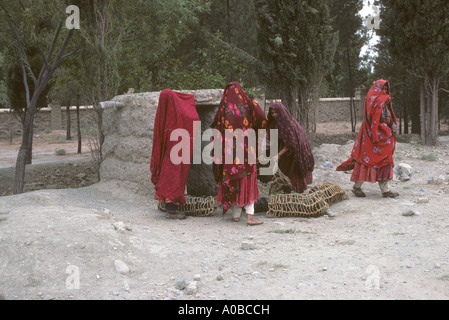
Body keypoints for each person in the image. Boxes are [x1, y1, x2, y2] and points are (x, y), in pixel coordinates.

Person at [211, 82, 268, 226]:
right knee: (248, 178)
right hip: (247, 147)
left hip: (229, 149)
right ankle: (250, 217)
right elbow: (261, 116)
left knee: (234, 177)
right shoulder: (247, 102)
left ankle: (236, 215)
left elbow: (215, 126)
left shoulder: (223, 106)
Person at [336, 79, 399, 198]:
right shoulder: (374, 102)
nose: (384, 92)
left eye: (386, 89)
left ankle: (385, 190)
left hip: (384, 139)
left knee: (386, 162)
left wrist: (391, 127)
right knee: (366, 161)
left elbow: (389, 118)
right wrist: (376, 135)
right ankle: (357, 187)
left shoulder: (385, 103)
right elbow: (372, 120)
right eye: (382, 89)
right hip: (371, 138)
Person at [150, 89, 200, 219]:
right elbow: (192, 117)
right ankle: (171, 210)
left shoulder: (173, 114)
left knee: (173, 175)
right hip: (177, 150)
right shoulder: (173, 112)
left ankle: (171, 207)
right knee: (174, 176)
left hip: (175, 149)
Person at [266, 102, 315, 193]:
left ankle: (296, 194)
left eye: (276, 112)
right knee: (284, 170)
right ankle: (287, 191)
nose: (274, 115)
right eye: (272, 113)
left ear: (281, 112)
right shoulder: (274, 123)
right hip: (286, 150)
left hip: (296, 151)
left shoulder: (288, 124)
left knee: (295, 172)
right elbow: (268, 138)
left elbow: (291, 143)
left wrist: (278, 155)